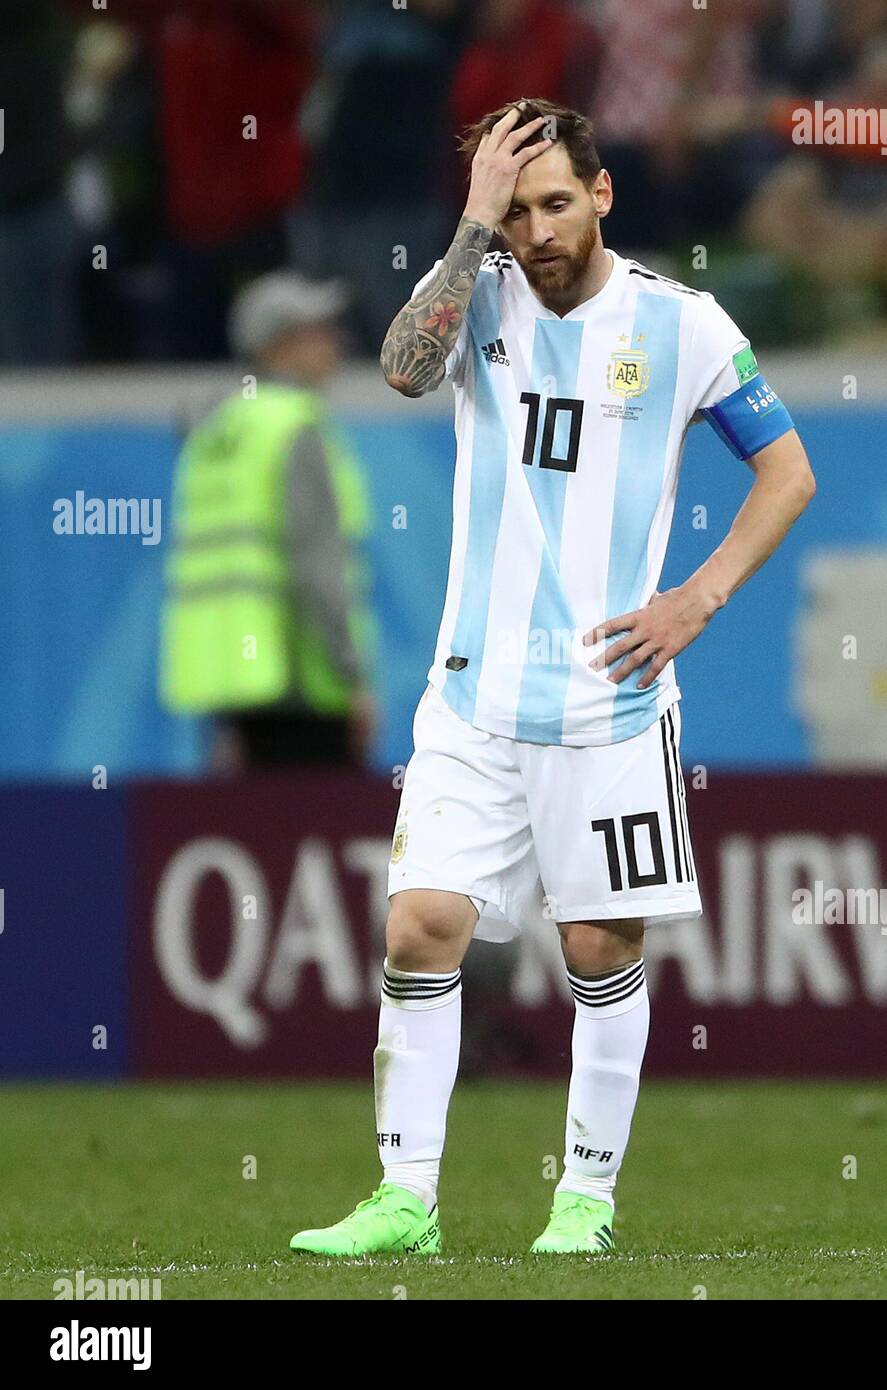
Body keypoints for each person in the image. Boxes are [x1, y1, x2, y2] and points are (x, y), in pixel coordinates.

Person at [289, 98, 814, 1258]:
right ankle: (405, 1200)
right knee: (420, 926)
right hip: (472, 692)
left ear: (604, 194)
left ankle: (584, 1198)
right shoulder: (476, 294)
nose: (537, 230)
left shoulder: (682, 325)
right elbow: (396, 370)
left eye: (555, 203)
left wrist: (698, 596)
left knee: (598, 948)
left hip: (609, 702)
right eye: (515, 208)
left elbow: (786, 473)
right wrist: (470, 225)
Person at [160, 272, 378, 769]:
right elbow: (317, 569)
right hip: (303, 682)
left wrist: (230, 722)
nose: (336, 344)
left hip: (233, 684)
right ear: (281, 346)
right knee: (313, 836)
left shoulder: (217, 429)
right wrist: (354, 679)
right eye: (319, 331)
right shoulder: (292, 426)